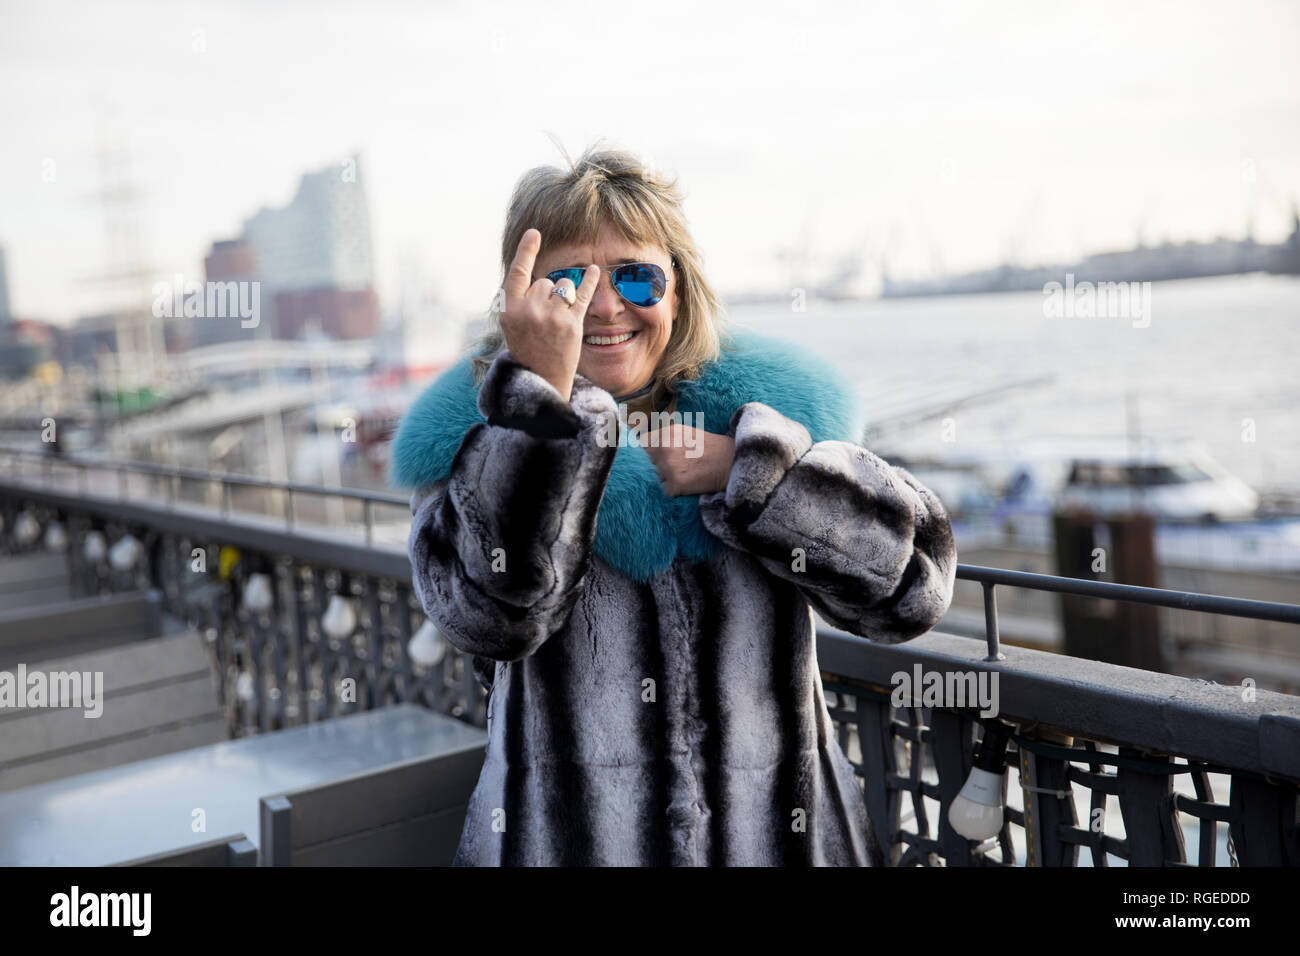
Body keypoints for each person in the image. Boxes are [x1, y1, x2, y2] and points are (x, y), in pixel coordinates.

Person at [389, 145, 957, 866]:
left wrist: (756, 476)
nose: (604, 305)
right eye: (568, 281)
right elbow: (490, 620)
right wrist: (539, 415)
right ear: (522, 300)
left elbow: (914, 591)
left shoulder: (769, 414)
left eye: (636, 275)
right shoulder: (475, 447)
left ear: (680, 291)